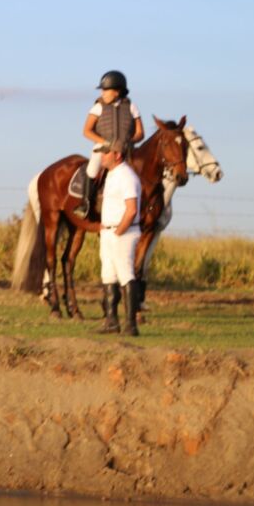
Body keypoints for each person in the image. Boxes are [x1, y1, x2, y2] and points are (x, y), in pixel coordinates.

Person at [75, 70, 144, 218]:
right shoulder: (98, 106)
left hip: (126, 150)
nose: (102, 93)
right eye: (102, 90)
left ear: (117, 92)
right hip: (103, 148)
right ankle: (85, 203)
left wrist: (129, 141)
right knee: (93, 169)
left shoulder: (131, 106)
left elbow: (140, 133)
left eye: (106, 90)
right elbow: (86, 131)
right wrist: (105, 142)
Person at [95, 139, 143, 336]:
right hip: (109, 231)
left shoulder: (127, 177)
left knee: (125, 274)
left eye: (106, 152)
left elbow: (131, 209)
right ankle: (111, 321)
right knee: (108, 274)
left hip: (122, 232)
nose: (102, 156)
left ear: (117, 155)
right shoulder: (112, 175)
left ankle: (131, 325)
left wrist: (118, 231)